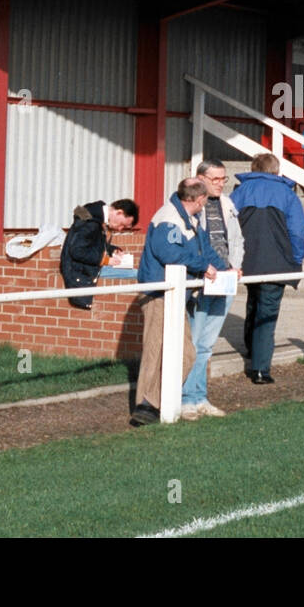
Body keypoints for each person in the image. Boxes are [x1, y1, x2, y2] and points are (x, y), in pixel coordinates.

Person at [132, 179, 228, 426]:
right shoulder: (169, 220)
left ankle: (155, 401)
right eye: (205, 199)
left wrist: (226, 269)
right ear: (199, 200)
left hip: (175, 296)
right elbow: (170, 254)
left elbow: (204, 251)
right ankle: (147, 404)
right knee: (156, 350)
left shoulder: (190, 221)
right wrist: (203, 266)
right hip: (159, 295)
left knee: (185, 353)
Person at [231, 154, 304, 385]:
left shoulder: (240, 192)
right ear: (276, 170)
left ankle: (251, 348)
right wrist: (296, 259)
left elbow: (230, 224)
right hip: (276, 261)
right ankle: (261, 369)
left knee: (253, 300)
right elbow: (297, 230)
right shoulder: (287, 194)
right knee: (268, 312)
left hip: (248, 259)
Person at [181, 161, 244, 420]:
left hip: (225, 280)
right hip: (200, 281)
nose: (220, 183)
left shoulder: (228, 204)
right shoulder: (191, 207)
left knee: (207, 345)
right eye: (215, 179)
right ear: (200, 178)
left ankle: (200, 397)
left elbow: (237, 239)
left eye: (223, 179)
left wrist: (236, 267)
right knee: (193, 343)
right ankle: (185, 399)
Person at [96, 199, 142, 280]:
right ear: (119, 213)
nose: (120, 229)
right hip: (86, 269)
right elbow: (83, 251)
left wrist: (113, 250)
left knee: (136, 273)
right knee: (138, 274)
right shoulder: (94, 223)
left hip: (94, 268)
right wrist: (107, 261)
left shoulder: (106, 226)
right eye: (122, 224)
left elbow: (98, 245)